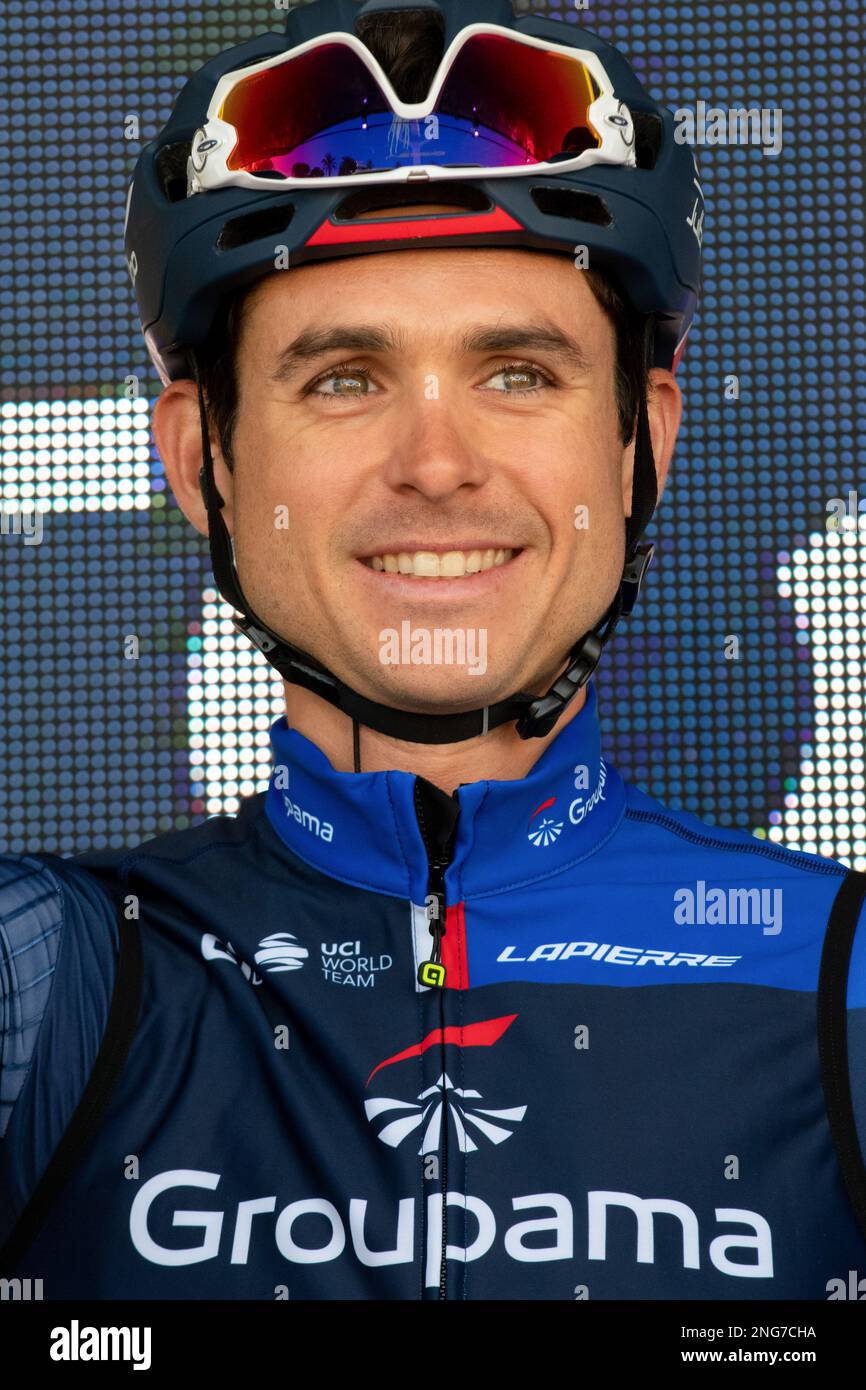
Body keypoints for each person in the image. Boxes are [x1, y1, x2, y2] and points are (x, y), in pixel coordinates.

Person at [1, 0, 865, 1302]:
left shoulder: (841, 985)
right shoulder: (49, 976)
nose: (437, 466)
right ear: (202, 460)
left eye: (517, 371)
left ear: (641, 443)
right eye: (342, 377)